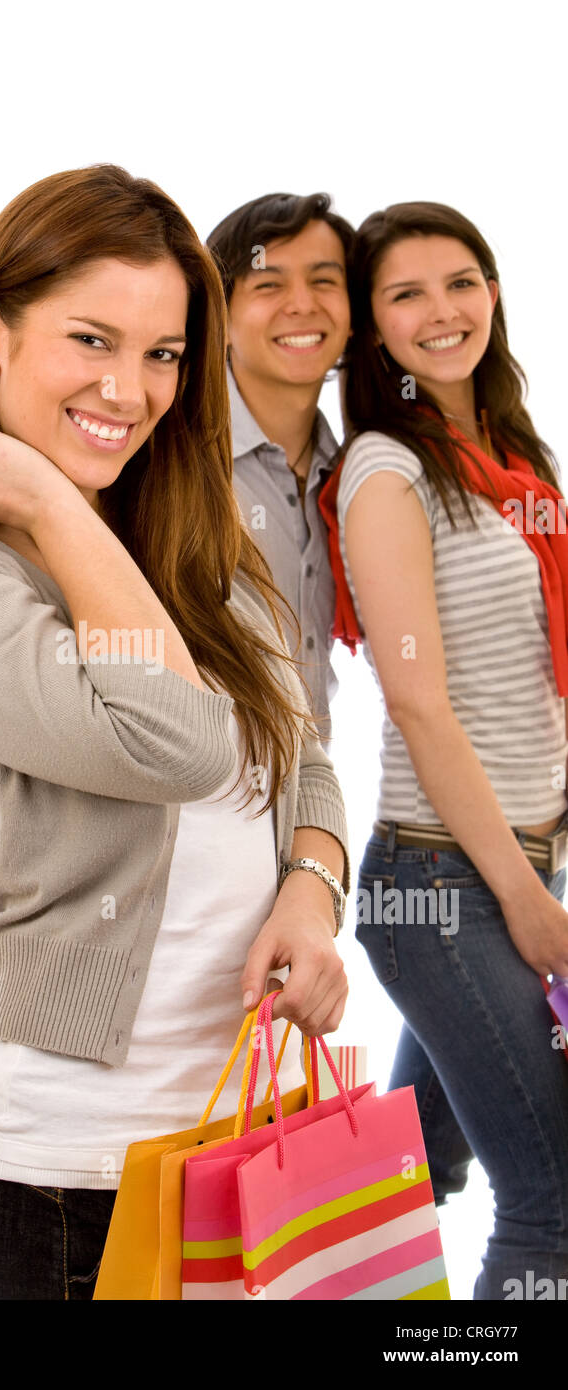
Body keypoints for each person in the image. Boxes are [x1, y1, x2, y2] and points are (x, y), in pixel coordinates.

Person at [0, 164, 350, 1303]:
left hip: (248, 1140)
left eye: (162, 354)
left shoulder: (192, 547)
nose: (129, 389)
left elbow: (299, 757)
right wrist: (51, 504)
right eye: (89, 340)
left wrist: (309, 894)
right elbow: (175, 746)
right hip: (56, 1185)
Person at [319, 201, 568, 1300]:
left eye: (458, 281)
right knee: (552, 1207)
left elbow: (531, 671)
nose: (440, 311)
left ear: (493, 291)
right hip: (442, 884)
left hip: (517, 856)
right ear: (371, 330)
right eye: (404, 293)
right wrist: (522, 898)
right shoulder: (387, 470)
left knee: (414, 1168)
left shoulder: (511, 459)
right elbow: (418, 705)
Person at [206, 194, 355, 745]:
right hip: (189, 812)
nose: (301, 304)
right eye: (268, 284)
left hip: (307, 808)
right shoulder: (165, 457)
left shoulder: (355, 477)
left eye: (324, 281)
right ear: (217, 318)